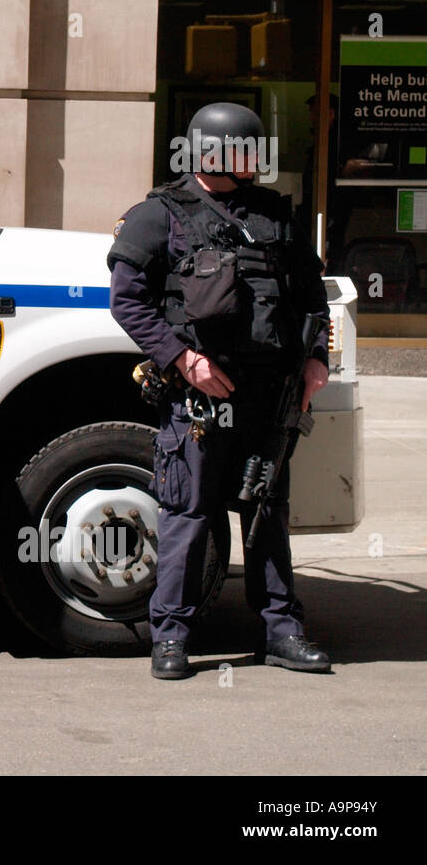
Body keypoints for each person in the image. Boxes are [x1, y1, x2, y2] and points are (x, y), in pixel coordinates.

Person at [107, 103, 333, 680]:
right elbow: (127, 302)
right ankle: (172, 638)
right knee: (189, 512)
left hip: (271, 396)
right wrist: (183, 359)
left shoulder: (275, 217)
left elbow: (311, 296)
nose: (258, 163)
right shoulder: (159, 215)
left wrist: (314, 360)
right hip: (201, 398)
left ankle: (282, 631)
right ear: (214, 152)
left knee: (266, 513)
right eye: (247, 151)